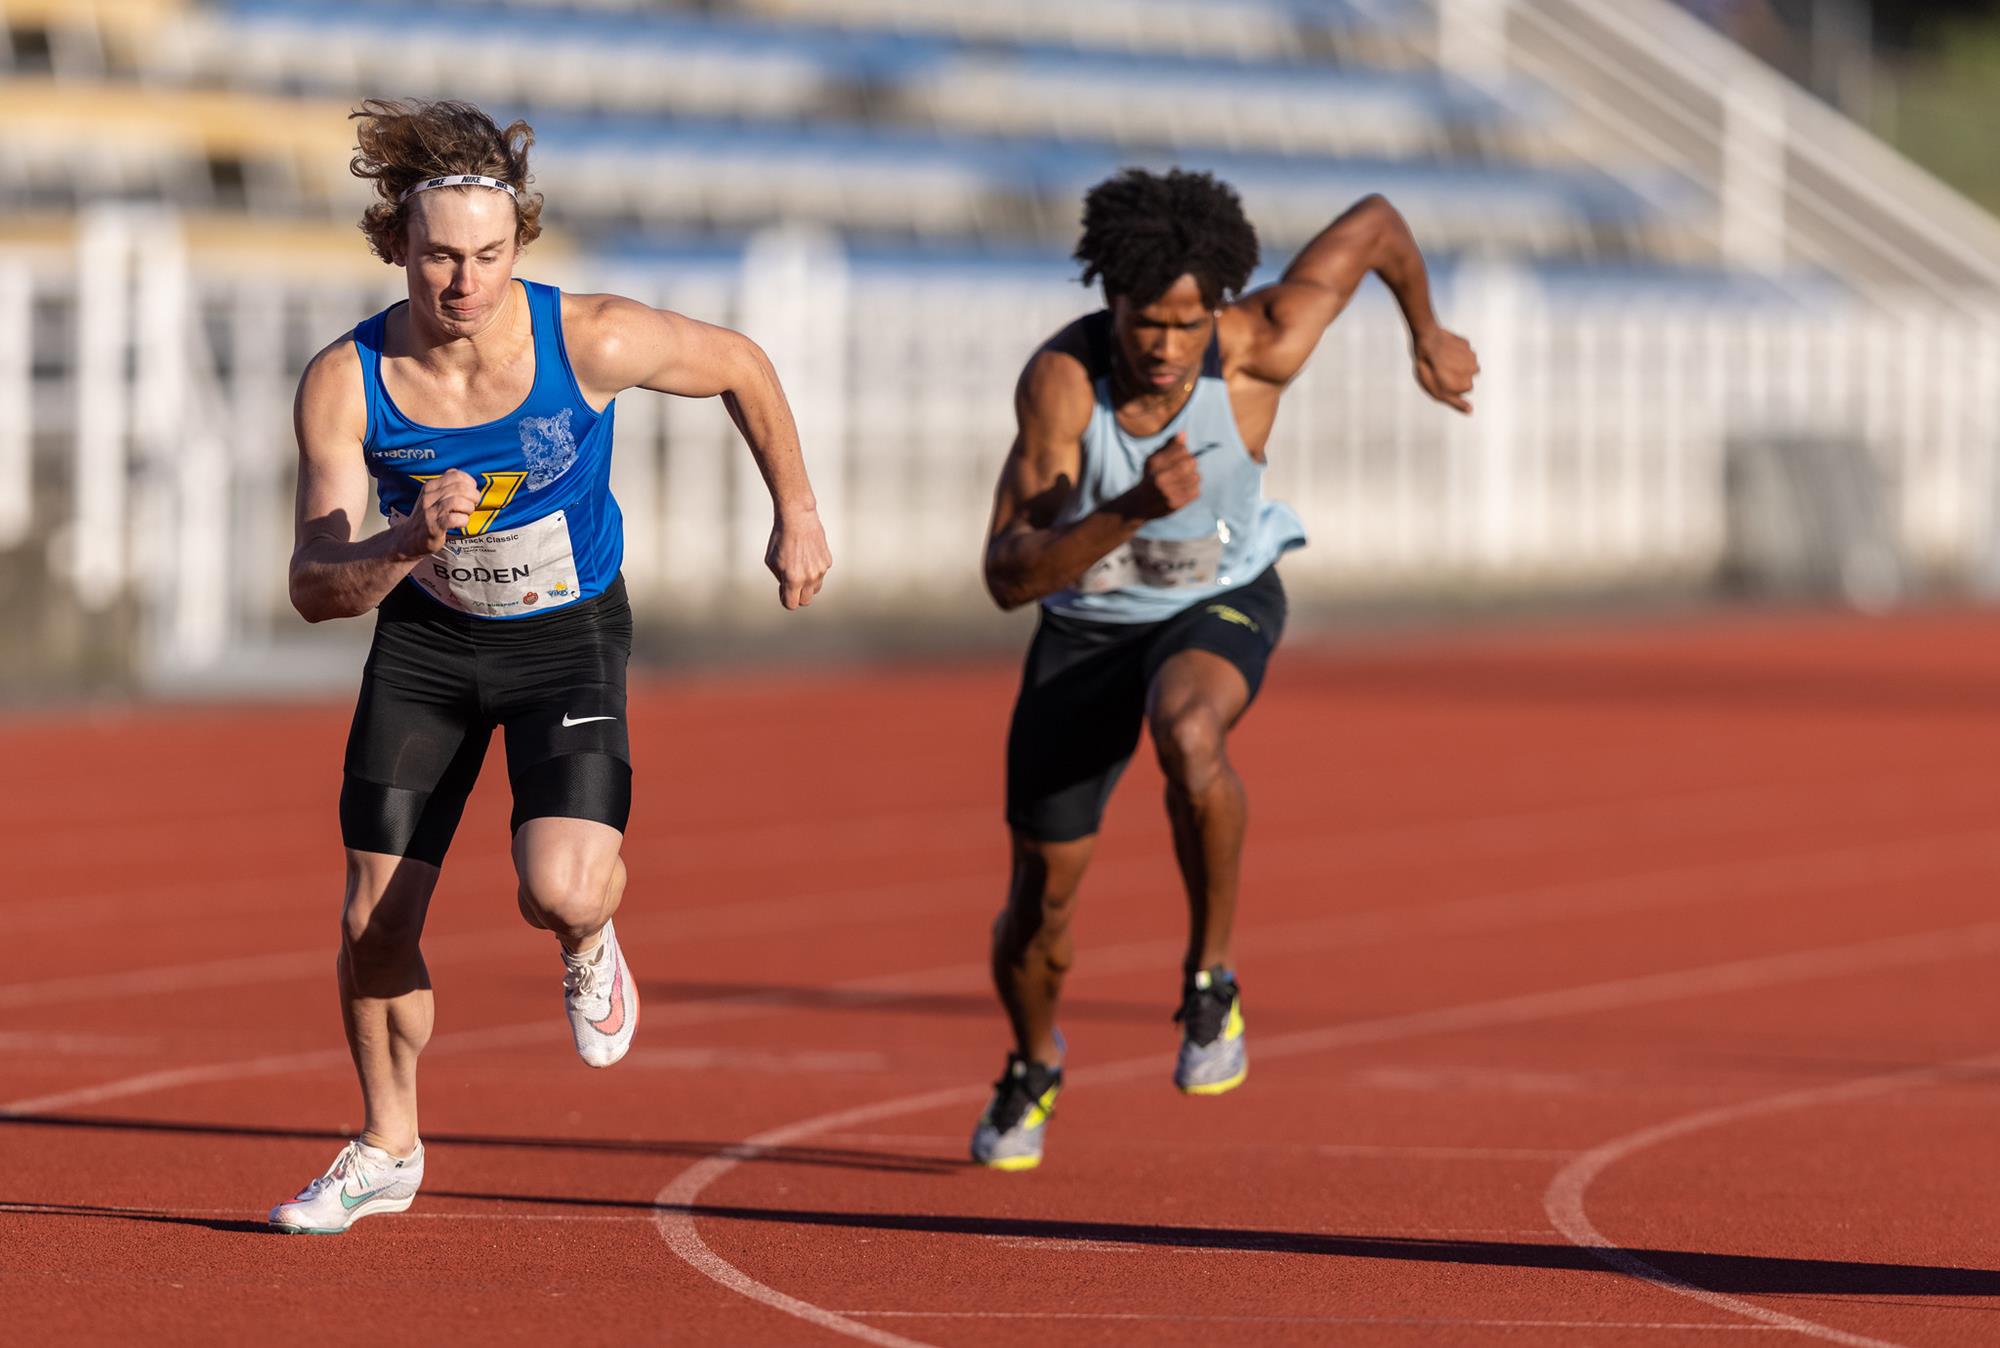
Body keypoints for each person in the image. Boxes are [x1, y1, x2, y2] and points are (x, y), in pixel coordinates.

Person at [269, 99, 831, 1232]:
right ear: (399, 248)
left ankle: (587, 941)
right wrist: (401, 542)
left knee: (557, 885)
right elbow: (313, 585)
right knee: (373, 922)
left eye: (485, 256)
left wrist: (797, 509)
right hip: (425, 646)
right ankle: (387, 1144)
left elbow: (740, 364)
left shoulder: (591, 339)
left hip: (565, 635)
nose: (463, 283)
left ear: (517, 246)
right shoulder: (347, 381)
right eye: (438, 258)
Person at [972, 169, 1478, 1169]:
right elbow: (1005, 576)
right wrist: (1125, 513)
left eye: (1185, 323)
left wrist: (1425, 328)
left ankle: (1210, 983)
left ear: (1219, 311)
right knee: (1041, 900)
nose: (1162, 348)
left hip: (1219, 597)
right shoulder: (1062, 386)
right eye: (1142, 322)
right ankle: (1033, 1061)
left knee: (1188, 728)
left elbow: (1374, 224)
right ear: (1107, 301)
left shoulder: (1261, 347)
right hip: (1085, 632)